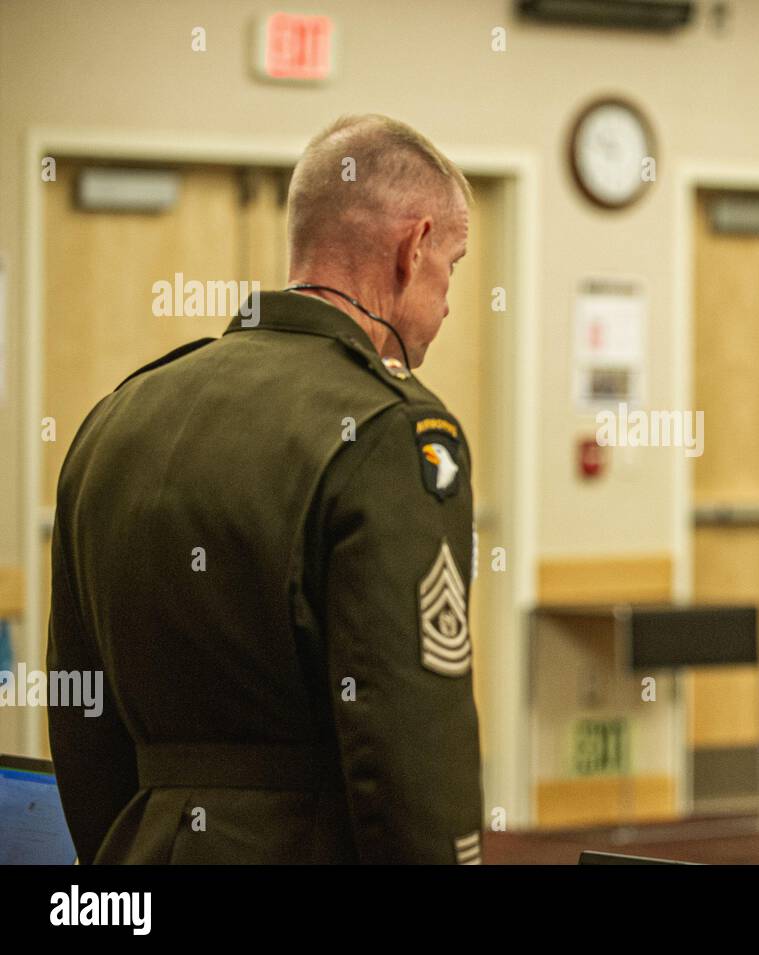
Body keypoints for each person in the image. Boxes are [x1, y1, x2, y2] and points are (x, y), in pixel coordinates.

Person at [46, 114, 484, 864]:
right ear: (412, 250)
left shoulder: (115, 418)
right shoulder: (388, 429)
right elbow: (410, 742)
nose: (447, 303)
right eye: (453, 263)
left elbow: (81, 715)